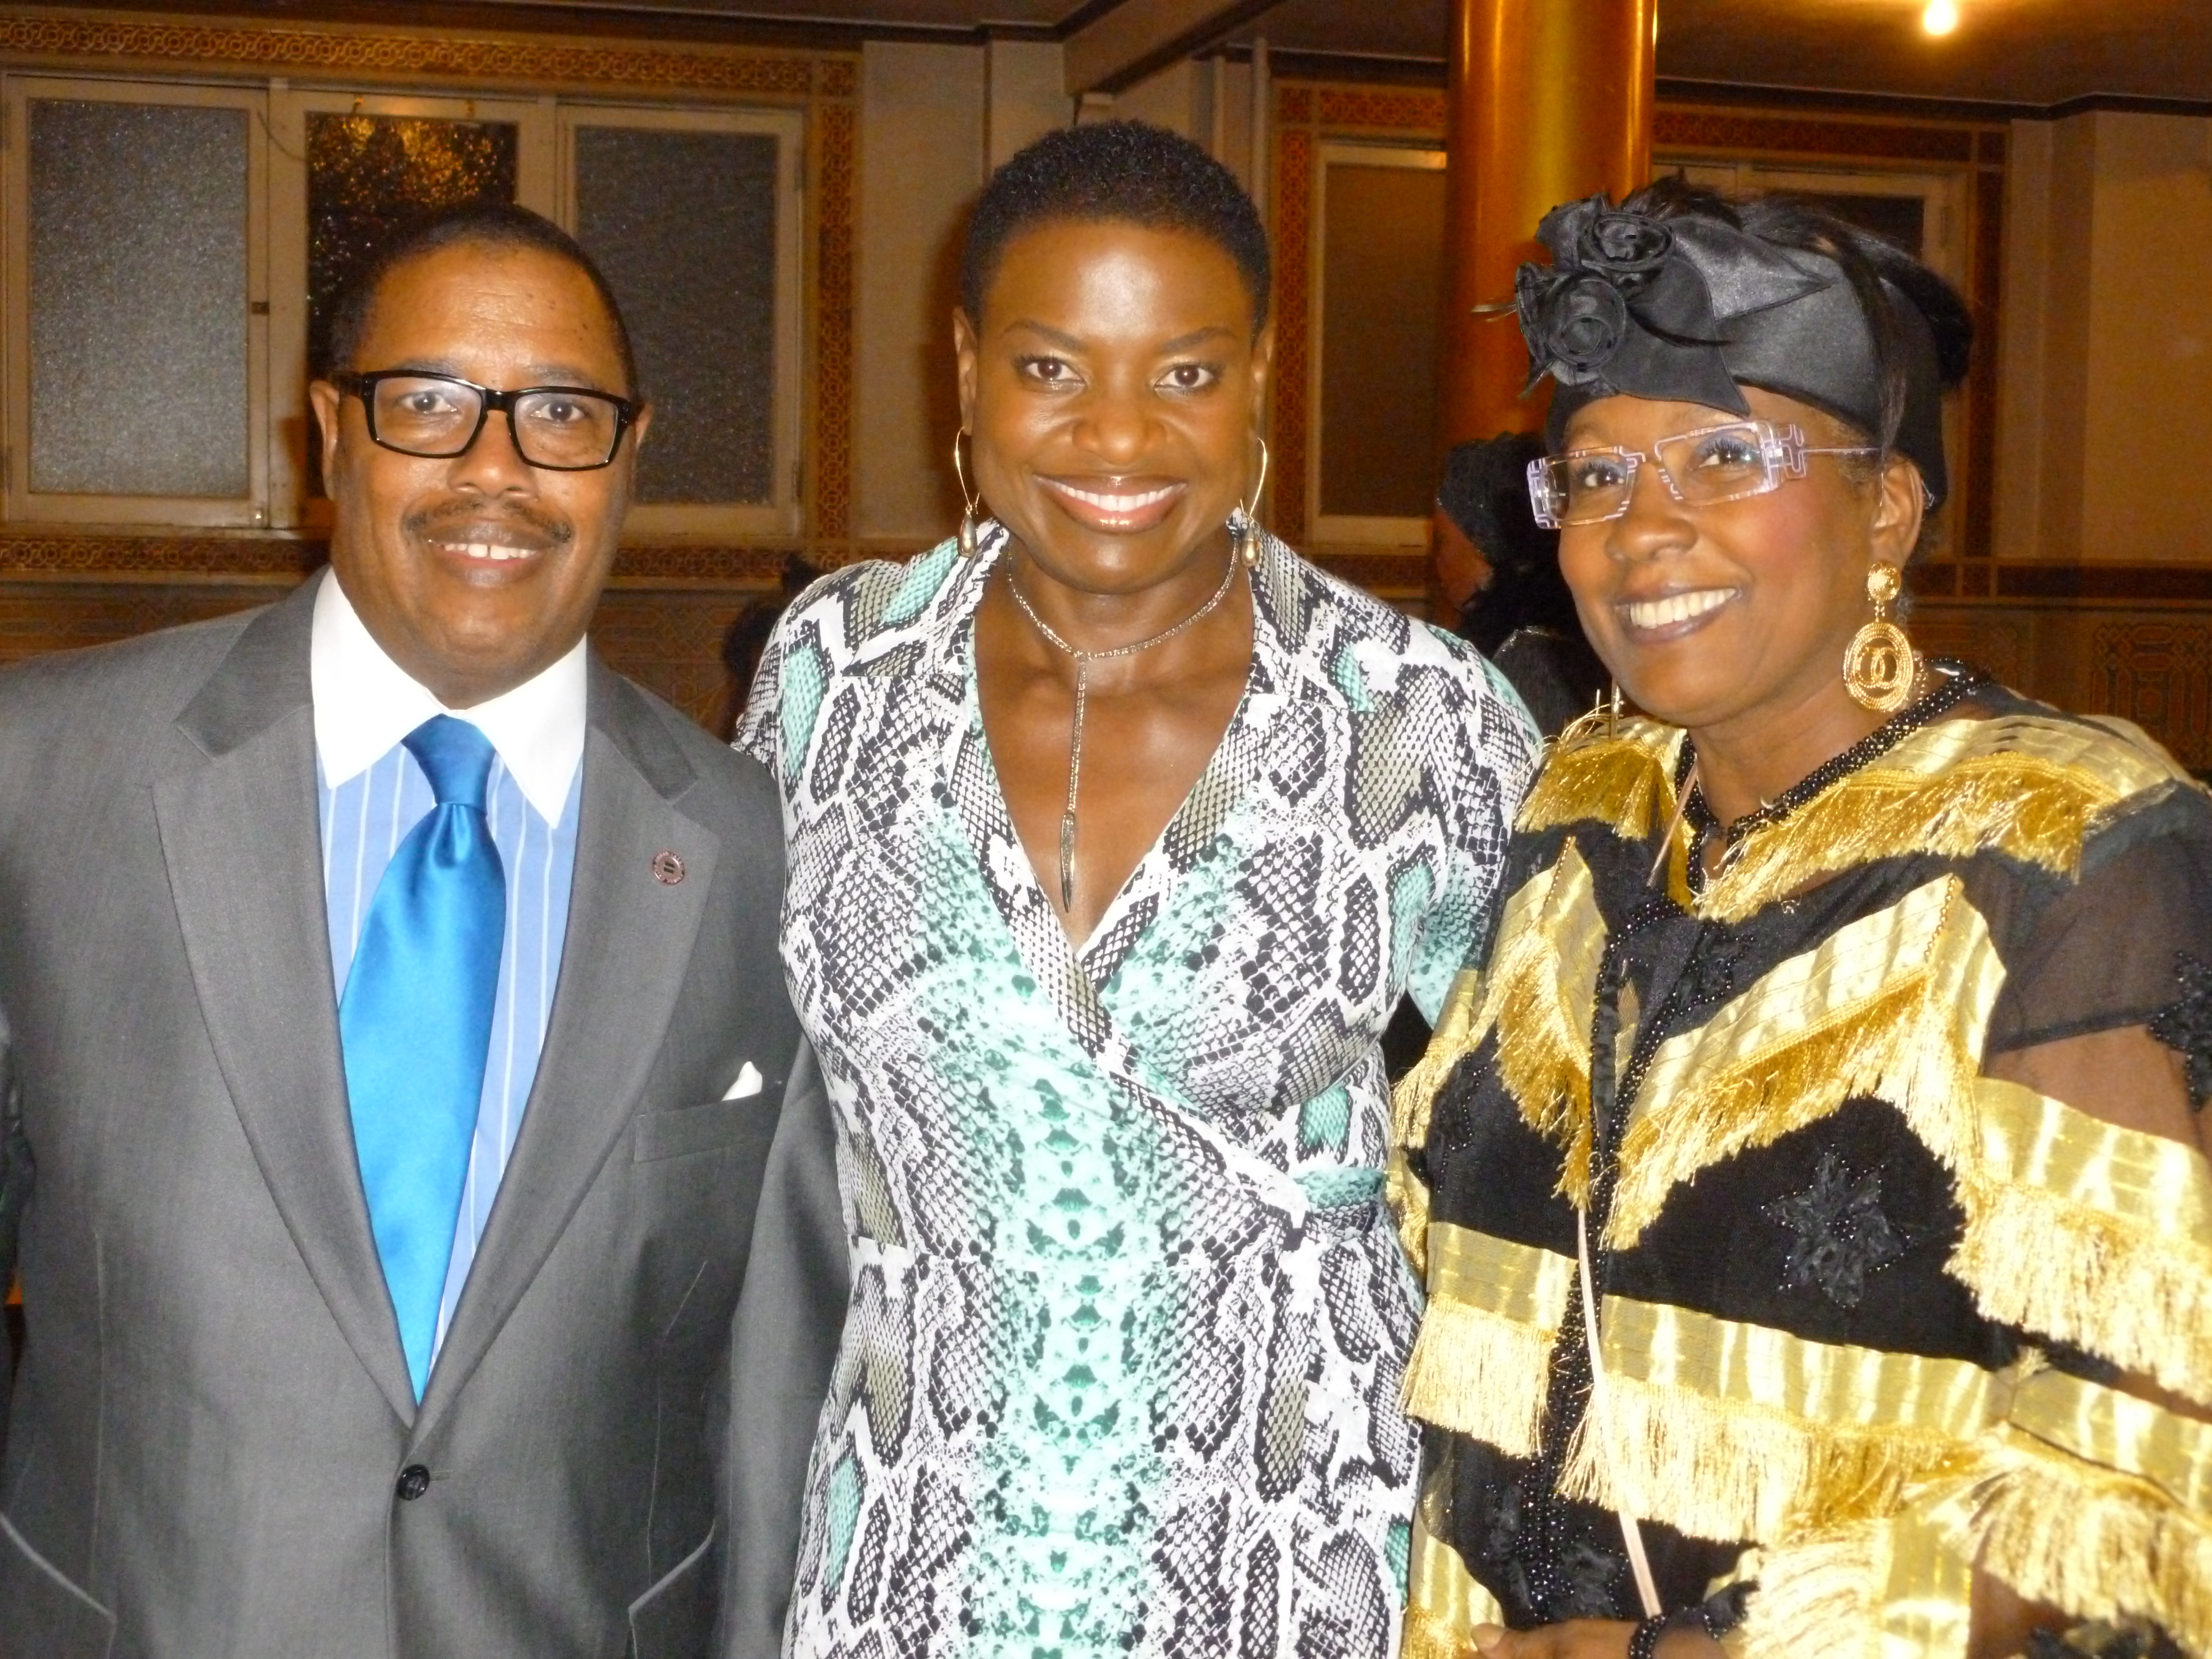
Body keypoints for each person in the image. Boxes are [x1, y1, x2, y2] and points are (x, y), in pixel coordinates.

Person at [738, 121, 1539, 1658]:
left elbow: (1548, 1175)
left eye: (1186, 373)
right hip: (911, 1560)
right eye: (1052, 368)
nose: (1119, 439)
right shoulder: (835, 676)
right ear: (964, 370)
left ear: (1261, 377)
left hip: (1294, 1562)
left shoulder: (1413, 716)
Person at [0, 203, 843, 1659]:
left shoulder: (758, 851)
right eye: (431, 403)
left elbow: (771, 1394)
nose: (497, 469)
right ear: (331, 433)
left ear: (630, 455)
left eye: (561, 412)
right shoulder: (44, 774)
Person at [1395, 180, 2212, 1659]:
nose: (1643, 529)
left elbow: (2150, 1469)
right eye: (1596, 474)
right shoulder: (1588, 812)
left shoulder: (2066, 855)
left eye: (1727, 456)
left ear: (1886, 507)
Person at [1436, 433, 1608, 739]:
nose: (1436, 560)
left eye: (1442, 542)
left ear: (1484, 544)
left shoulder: (1529, 658)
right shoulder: (1554, 639)